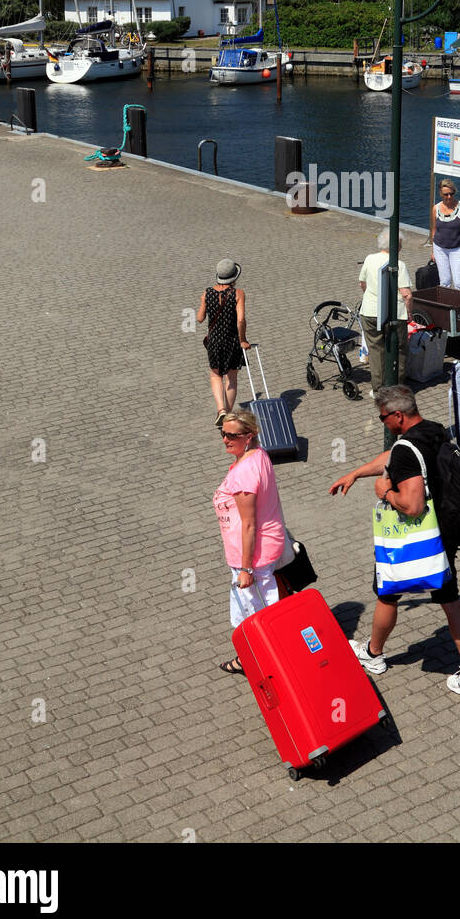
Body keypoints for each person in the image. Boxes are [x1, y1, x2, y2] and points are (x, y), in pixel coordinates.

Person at [328, 384, 460, 704]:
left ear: (398, 416)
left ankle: (374, 655)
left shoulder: (405, 449)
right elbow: (393, 457)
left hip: (415, 538)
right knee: (450, 600)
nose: (382, 422)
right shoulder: (433, 431)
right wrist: (356, 473)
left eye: (383, 417)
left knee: (387, 594)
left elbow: (413, 505)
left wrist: (384, 492)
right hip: (444, 533)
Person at [213, 409, 286, 674]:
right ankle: (254, 654)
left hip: (252, 555)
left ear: (249, 436)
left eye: (232, 435)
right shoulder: (259, 454)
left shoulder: (244, 473)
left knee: (257, 612)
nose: (225, 439)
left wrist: (245, 569)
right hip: (263, 546)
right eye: (223, 433)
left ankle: (259, 659)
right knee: (259, 606)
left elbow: (249, 524)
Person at [358, 229, 413, 397]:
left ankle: (379, 389)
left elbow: (362, 283)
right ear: (397, 245)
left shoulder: (369, 258)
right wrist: (410, 314)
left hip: (369, 312)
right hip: (394, 314)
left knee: (376, 351)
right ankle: (397, 388)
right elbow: (406, 294)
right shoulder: (399, 264)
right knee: (399, 349)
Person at [197, 259, 250, 427]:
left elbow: (199, 318)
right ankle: (228, 411)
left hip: (213, 341)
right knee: (231, 378)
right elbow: (240, 320)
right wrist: (243, 340)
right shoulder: (238, 294)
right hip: (231, 341)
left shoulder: (207, 293)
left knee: (215, 375)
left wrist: (204, 303)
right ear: (234, 277)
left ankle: (221, 410)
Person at [429, 179, 460, 288]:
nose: (449, 197)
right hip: (440, 249)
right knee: (444, 282)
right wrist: (433, 251)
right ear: (441, 194)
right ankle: (446, 303)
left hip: (458, 249)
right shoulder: (436, 208)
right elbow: (434, 229)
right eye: (446, 194)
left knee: (459, 282)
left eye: (451, 193)